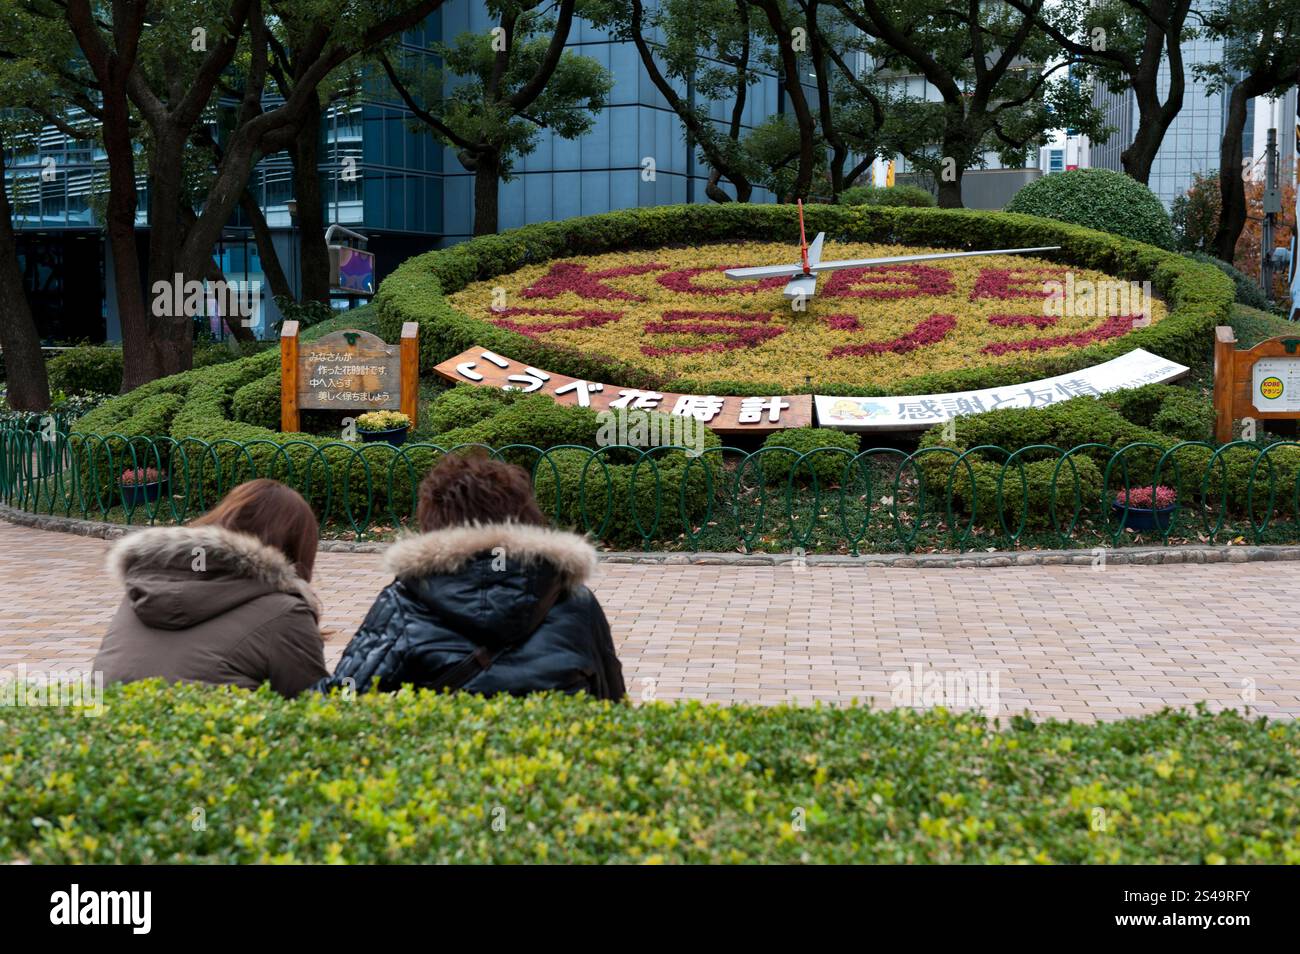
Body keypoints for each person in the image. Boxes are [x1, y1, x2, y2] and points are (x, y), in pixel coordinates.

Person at [319, 453, 625, 700]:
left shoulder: (404, 602)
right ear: (526, 519)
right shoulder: (575, 601)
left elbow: (342, 699)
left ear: (433, 523)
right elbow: (610, 698)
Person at [95, 478, 328, 697]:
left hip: (103, 731)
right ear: (296, 550)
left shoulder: (143, 588)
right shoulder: (286, 613)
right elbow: (315, 708)